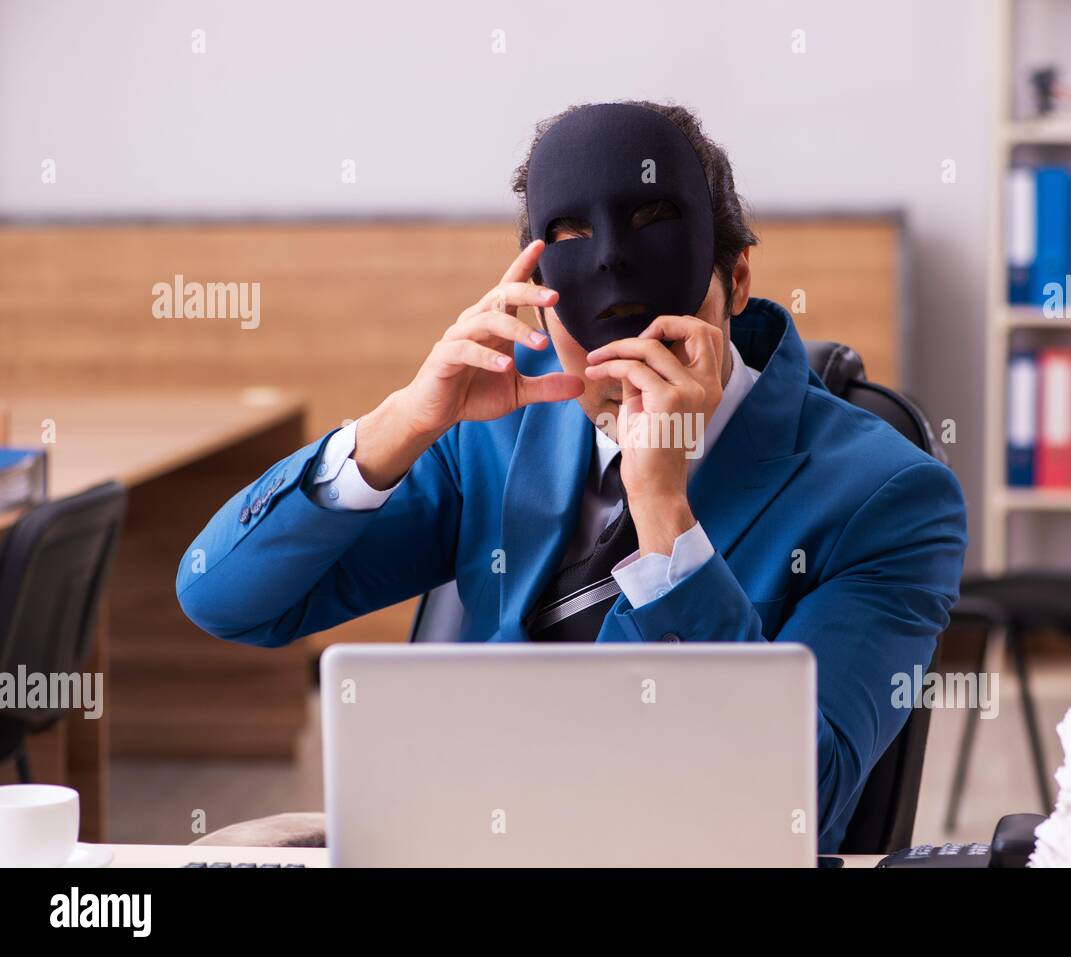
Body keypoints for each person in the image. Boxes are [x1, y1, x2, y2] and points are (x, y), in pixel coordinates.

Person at [177, 100, 966, 852]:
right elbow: (224, 597)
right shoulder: (497, 429)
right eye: (584, 325)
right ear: (537, 301)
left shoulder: (889, 498)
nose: (621, 360)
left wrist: (663, 513)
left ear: (739, 280)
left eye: (661, 323)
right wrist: (403, 423)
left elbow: (800, 803)